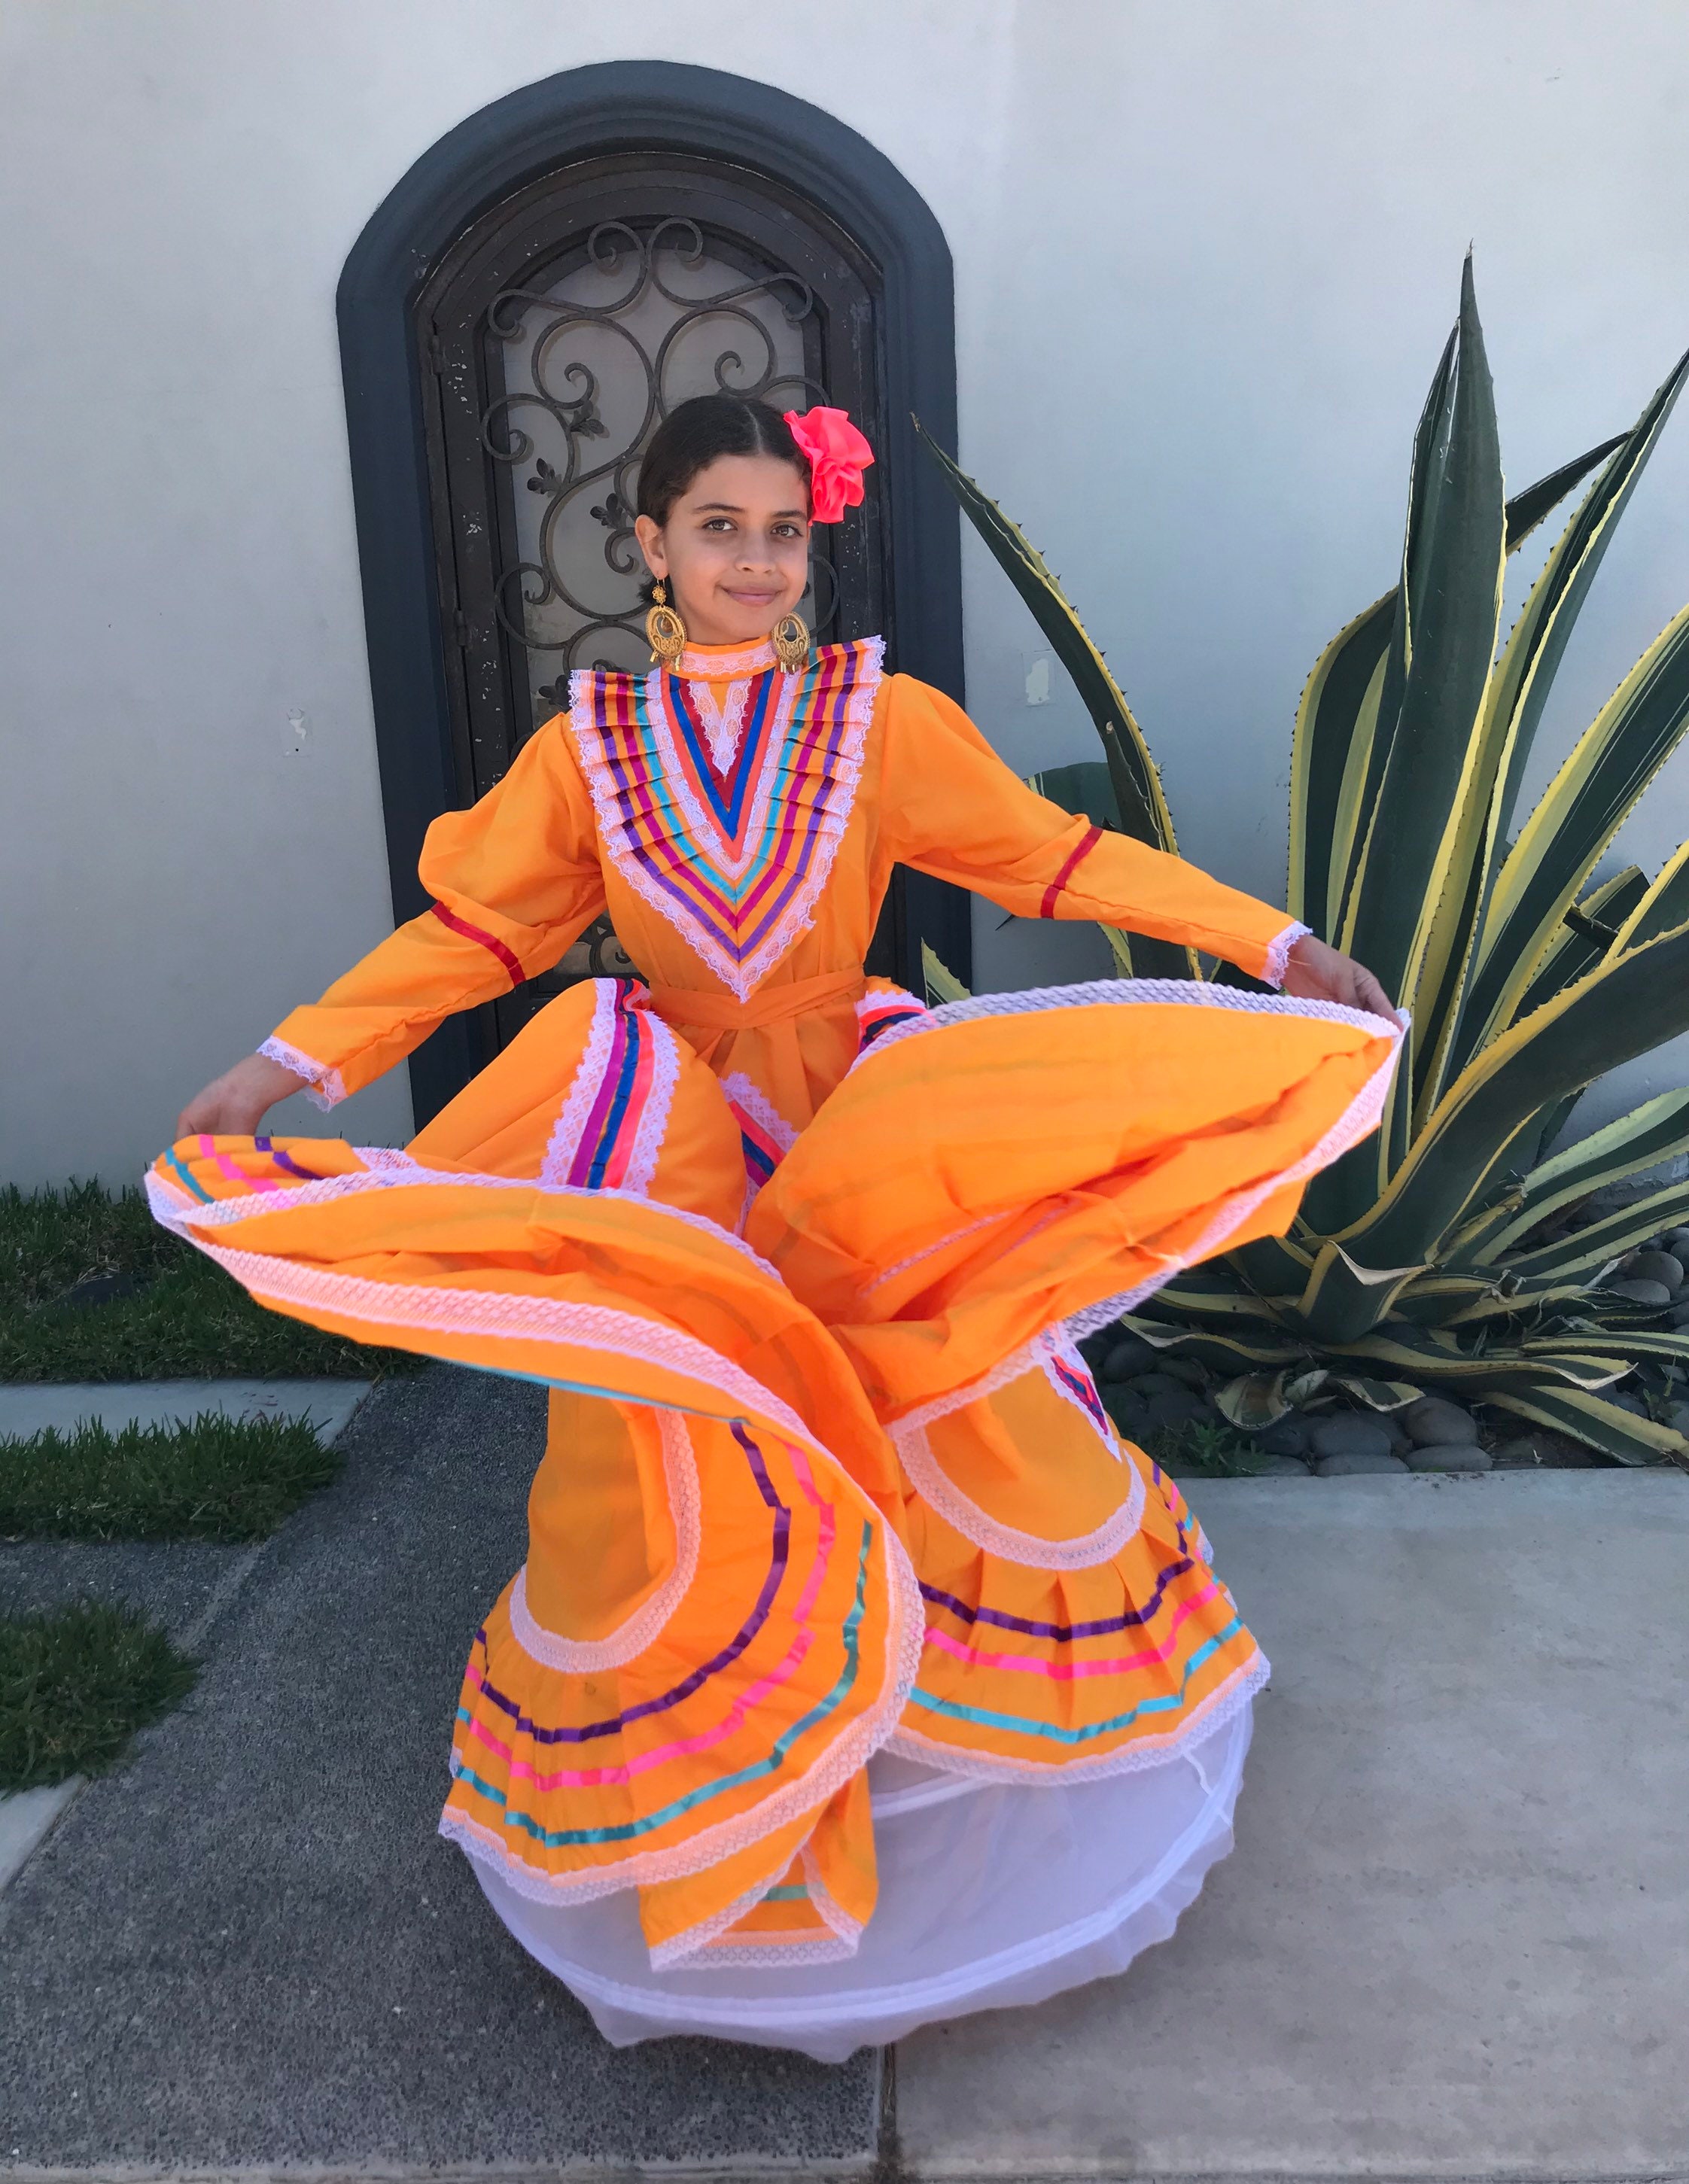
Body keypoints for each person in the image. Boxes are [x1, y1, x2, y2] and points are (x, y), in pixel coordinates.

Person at [162, 395, 1398, 2060]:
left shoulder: (874, 718)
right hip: (676, 1137)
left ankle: (954, 1747)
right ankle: (743, 1772)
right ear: (652, 544)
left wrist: (1276, 943)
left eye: (783, 529)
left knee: (950, 1407)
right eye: (719, 526)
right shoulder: (588, 743)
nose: (756, 560)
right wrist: (281, 1065)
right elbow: (469, 937)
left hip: (858, 1126)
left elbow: (1054, 855)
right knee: (686, 1437)